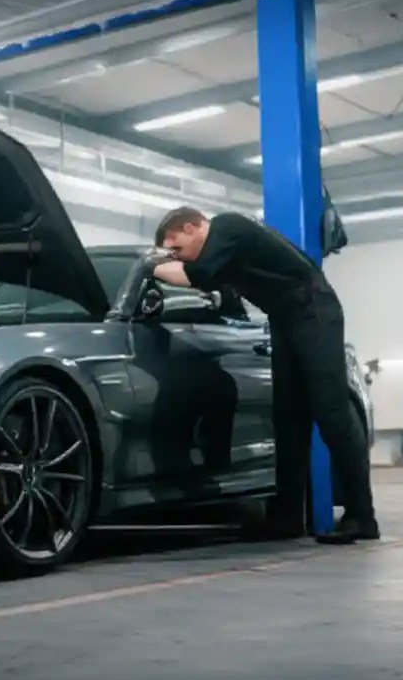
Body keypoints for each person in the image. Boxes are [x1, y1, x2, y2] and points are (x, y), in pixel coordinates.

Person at [148, 206, 379, 543]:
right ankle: (286, 518)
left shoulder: (227, 226)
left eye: (177, 248)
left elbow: (200, 275)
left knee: (332, 413)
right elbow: (212, 284)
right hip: (285, 319)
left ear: (193, 227)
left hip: (314, 310)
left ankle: (362, 516)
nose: (176, 257)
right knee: (288, 420)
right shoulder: (225, 250)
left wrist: (152, 266)